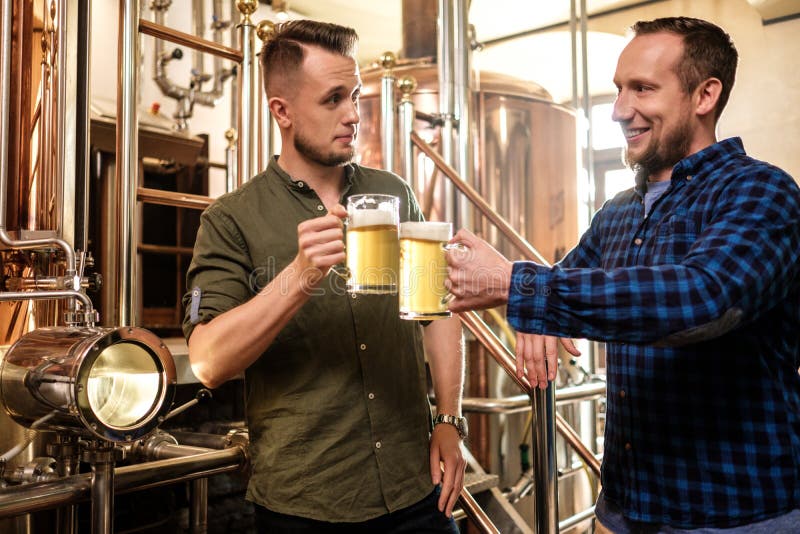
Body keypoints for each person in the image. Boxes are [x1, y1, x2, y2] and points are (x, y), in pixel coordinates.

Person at [446, 16, 800, 533]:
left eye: (643, 89)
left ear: (705, 95)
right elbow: (559, 294)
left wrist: (515, 286)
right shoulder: (617, 212)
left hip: (734, 514)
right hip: (625, 509)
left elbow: (702, 299)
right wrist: (534, 312)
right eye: (617, 89)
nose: (618, 109)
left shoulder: (761, 192)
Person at [183, 19, 466, 533]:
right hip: (307, 503)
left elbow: (436, 309)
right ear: (282, 111)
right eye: (333, 99)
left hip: (414, 486)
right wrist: (300, 275)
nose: (354, 115)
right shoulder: (231, 218)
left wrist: (448, 420)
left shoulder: (393, 192)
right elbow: (207, 361)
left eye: (355, 95)